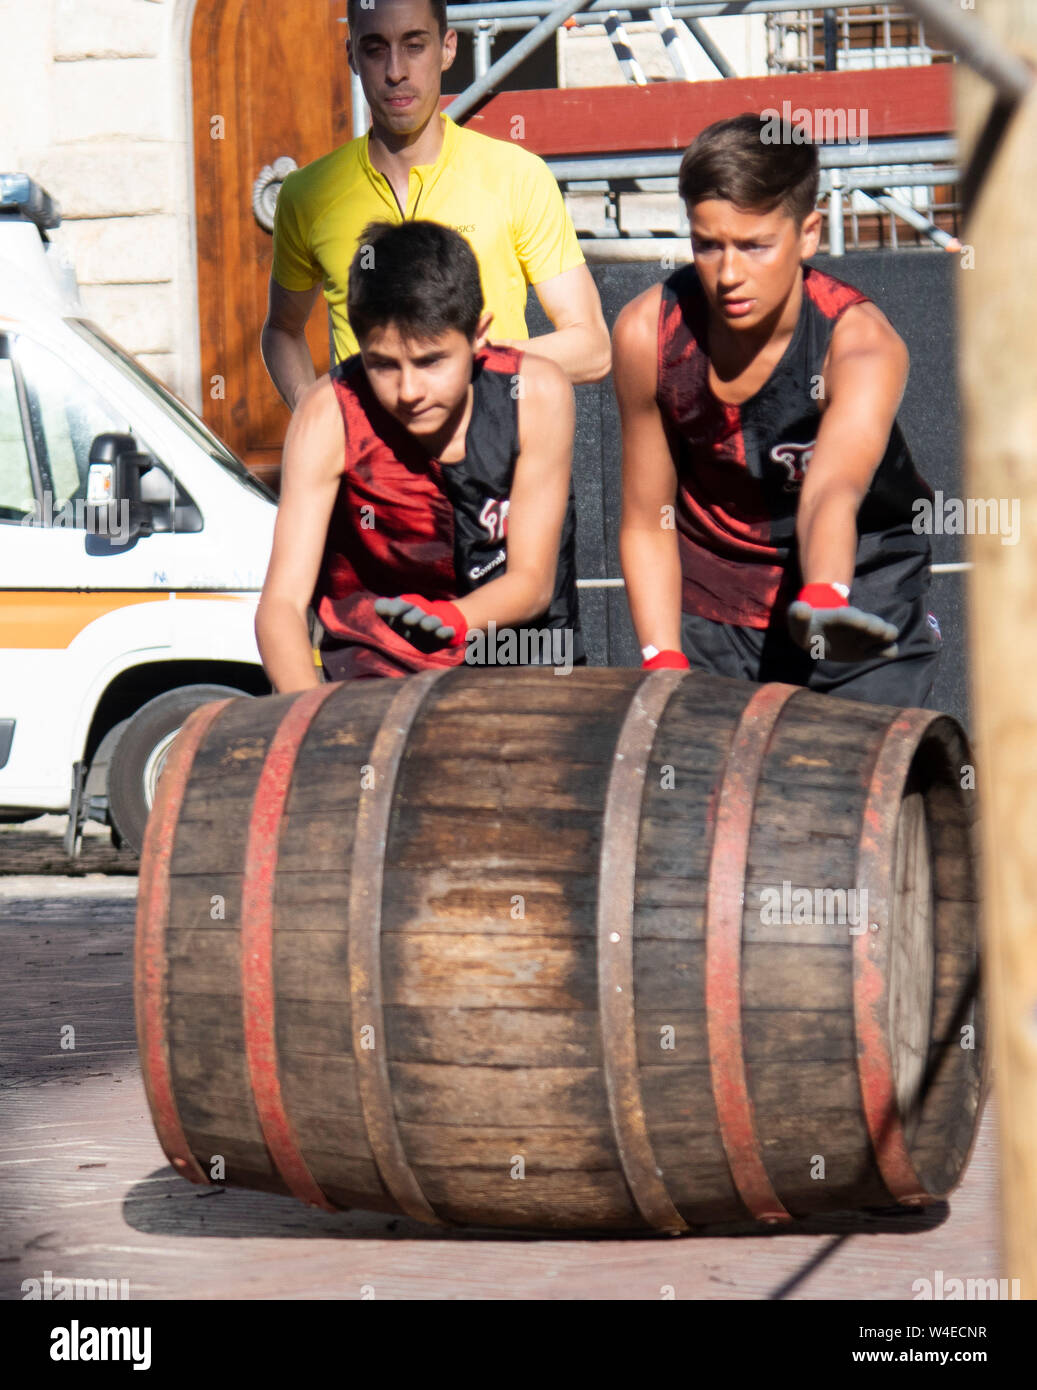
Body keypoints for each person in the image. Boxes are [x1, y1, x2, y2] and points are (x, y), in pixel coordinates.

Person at [613, 112, 940, 706]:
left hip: (857, 591)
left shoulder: (860, 344)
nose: (729, 274)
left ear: (809, 234)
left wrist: (824, 595)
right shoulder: (647, 333)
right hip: (714, 599)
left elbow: (832, 490)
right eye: (707, 245)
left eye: (754, 245)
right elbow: (646, 520)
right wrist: (661, 659)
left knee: (854, 790)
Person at [255, 219, 582, 691]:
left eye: (430, 361)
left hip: (522, 664)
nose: (409, 391)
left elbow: (532, 584)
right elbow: (281, 606)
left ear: (479, 336)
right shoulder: (328, 414)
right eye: (383, 364)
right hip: (377, 676)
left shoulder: (535, 394)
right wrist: (312, 722)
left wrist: (449, 619)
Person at [262, 0, 610, 409]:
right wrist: (313, 413)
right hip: (370, 467)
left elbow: (593, 347)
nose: (396, 71)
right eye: (375, 48)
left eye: (414, 45)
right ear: (351, 55)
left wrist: (478, 359)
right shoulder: (308, 193)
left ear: (448, 48)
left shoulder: (517, 175)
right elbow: (282, 329)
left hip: (494, 460)